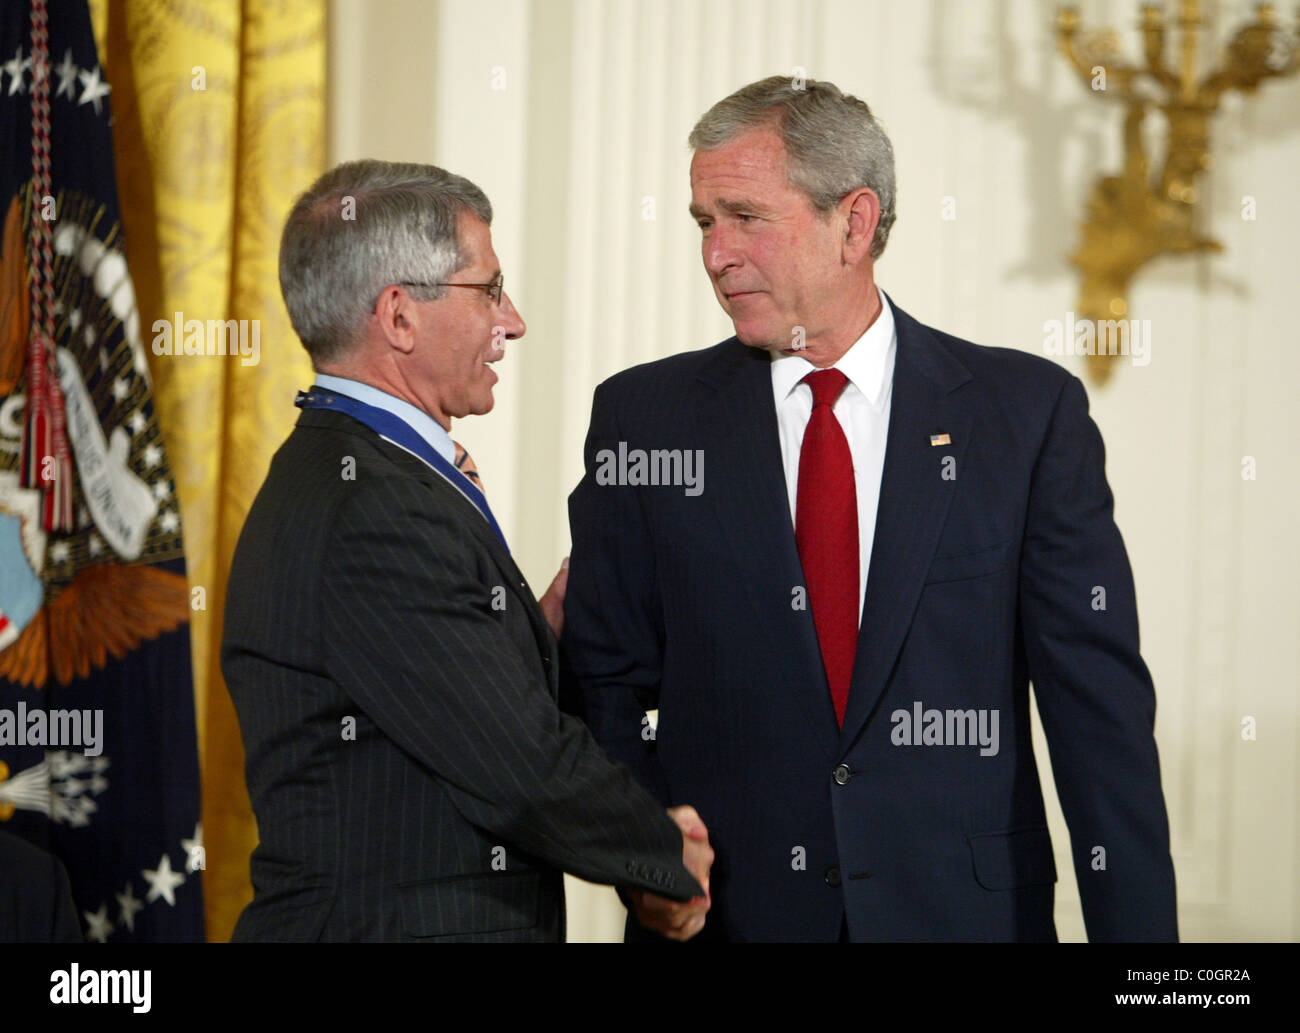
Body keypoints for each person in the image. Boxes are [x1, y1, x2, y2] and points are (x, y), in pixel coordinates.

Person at [561, 76, 1178, 942]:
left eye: (745, 217)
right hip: (732, 922)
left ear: (854, 222)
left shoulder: (1023, 416)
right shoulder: (644, 419)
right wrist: (644, 860)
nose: (716, 254)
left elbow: (1099, 723)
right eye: (705, 223)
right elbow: (603, 685)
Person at [222, 160, 711, 942]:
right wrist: (668, 858)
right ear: (400, 317)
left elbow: (425, 701)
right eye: (487, 289)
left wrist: (533, 641)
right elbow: (517, 767)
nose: (512, 320)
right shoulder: (371, 506)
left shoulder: (361, 471)